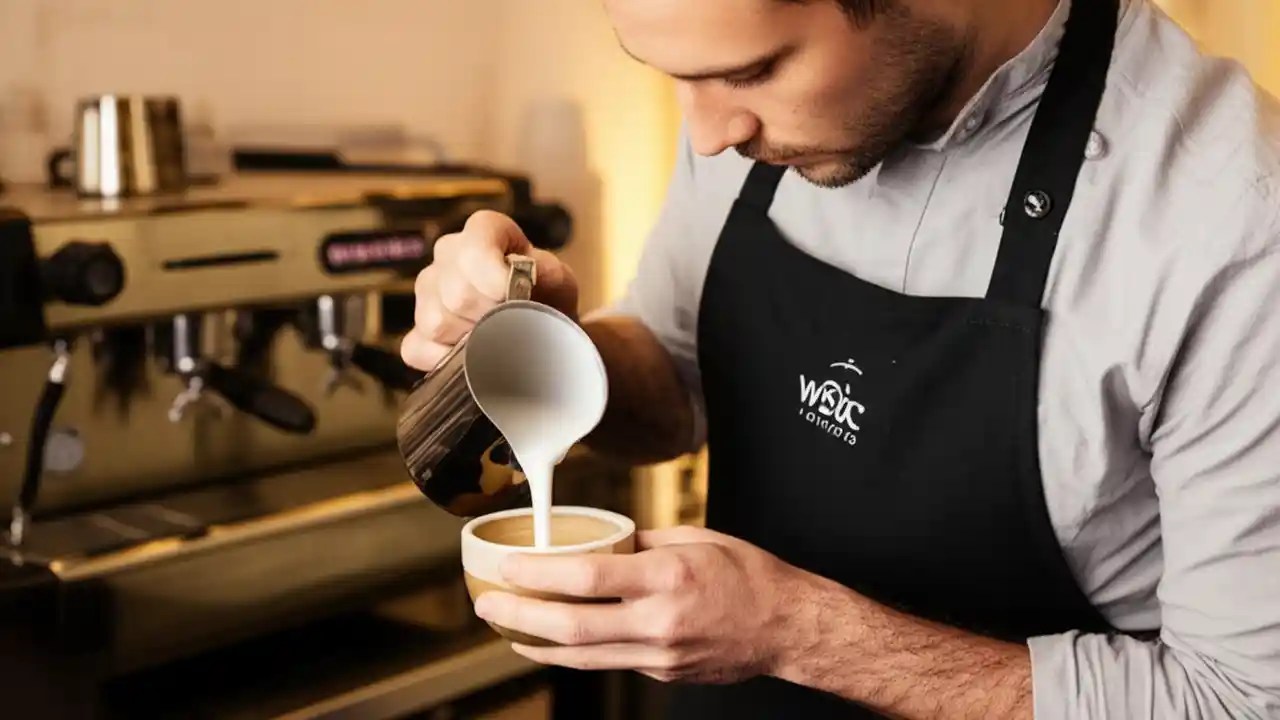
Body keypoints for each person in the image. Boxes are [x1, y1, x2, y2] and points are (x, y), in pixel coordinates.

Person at [401, 0, 1280, 716]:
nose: (707, 134)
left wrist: (798, 634)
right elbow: (676, 384)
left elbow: (1240, 704)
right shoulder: (745, 121)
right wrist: (550, 354)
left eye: (750, 72)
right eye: (673, 74)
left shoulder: (1231, 221)